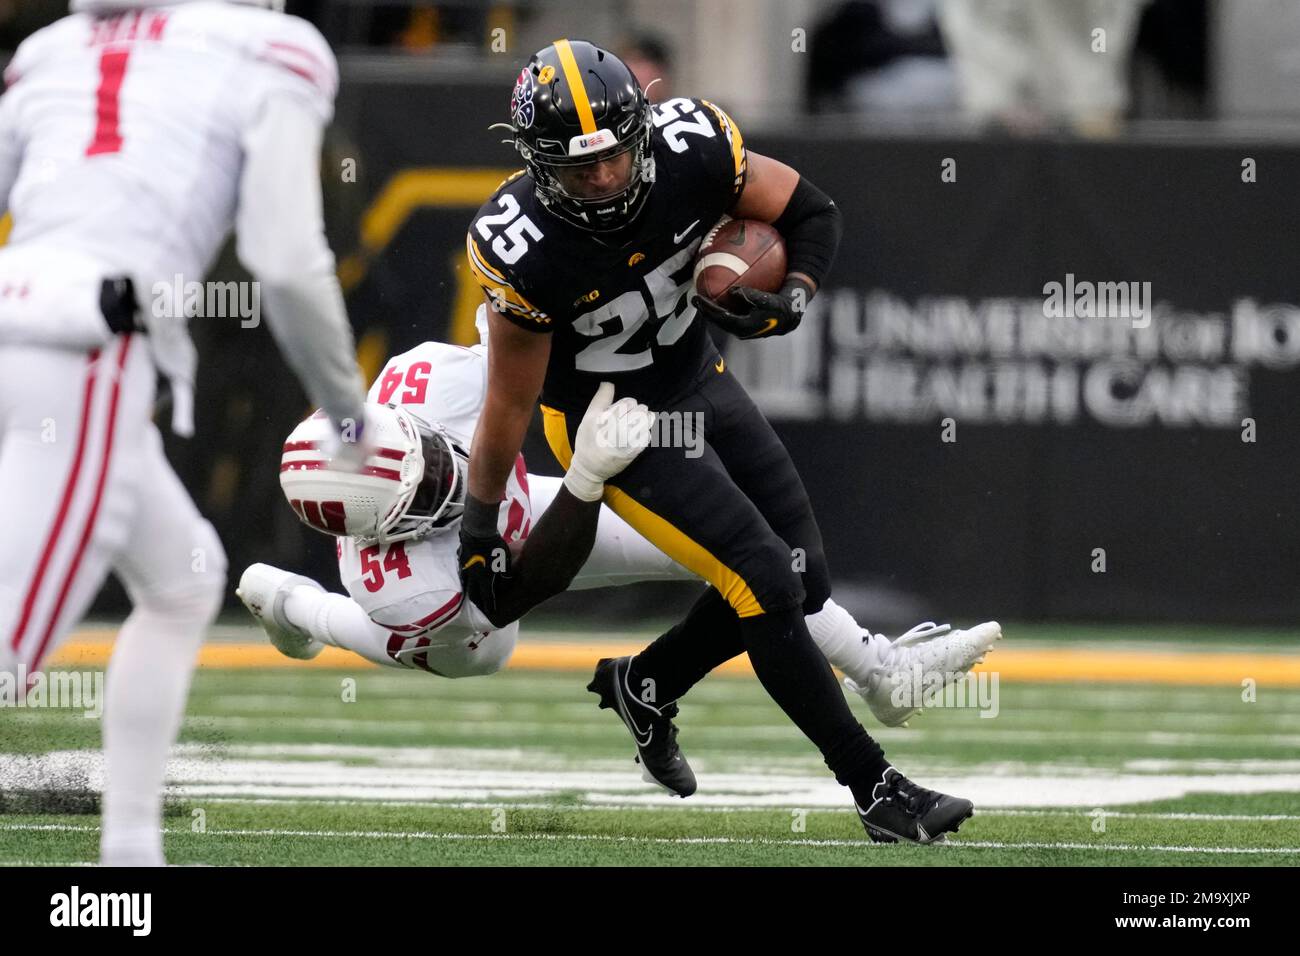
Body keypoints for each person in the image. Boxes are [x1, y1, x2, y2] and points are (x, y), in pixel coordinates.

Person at [458, 39, 989, 841]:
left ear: (641, 127)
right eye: (576, 167)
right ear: (536, 162)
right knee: (764, 580)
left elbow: (811, 212)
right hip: (611, 423)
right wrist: (480, 518)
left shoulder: (693, 147)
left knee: (802, 572)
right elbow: (509, 398)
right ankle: (874, 786)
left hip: (695, 375)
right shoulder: (522, 244)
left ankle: (648, 681)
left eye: (611, 156)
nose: (601, 179)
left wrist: (796, 294)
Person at [0, 0, 368, 866]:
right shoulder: (270, 48)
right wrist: (347, 409)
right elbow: (283, 260)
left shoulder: (50, 50)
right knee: (9, 647)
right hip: (87, 345)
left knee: (182, 579)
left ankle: (132, 858)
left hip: (25, 319)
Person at [240, 329, 999, 736]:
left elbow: (525, 335)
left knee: (734, 552)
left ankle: (881, 673)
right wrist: (583, 479)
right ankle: (291, 605)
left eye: (434, 462)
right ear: (387, 531)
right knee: (475, 653)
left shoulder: (430, 380)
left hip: (516, 508)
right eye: (428, 492)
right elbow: (510, 595)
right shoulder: (405, 587)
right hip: (468, 612)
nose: (448, 478)